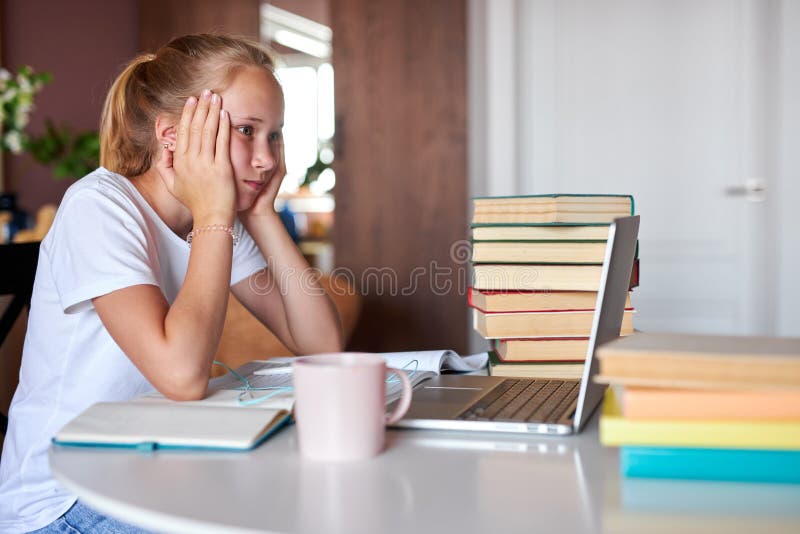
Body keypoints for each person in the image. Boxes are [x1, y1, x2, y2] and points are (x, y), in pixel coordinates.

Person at [0, 34, 344, 533]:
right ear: (172, 137)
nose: (267, 159)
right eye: (247, 130)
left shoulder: (218, 220)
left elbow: (323, 345)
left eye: (274, 134)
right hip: (62, 501)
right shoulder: (99, 207)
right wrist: (213, 214)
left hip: (152, 470)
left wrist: (264, 215)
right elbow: (182, 378)